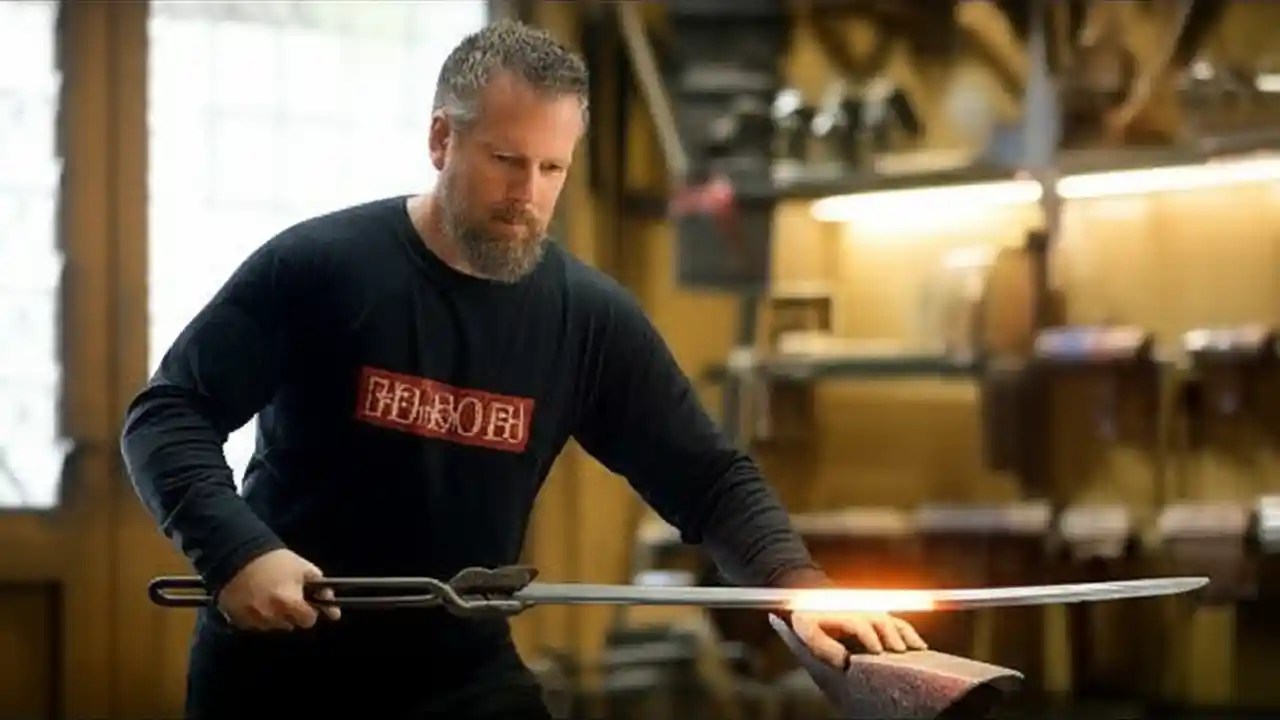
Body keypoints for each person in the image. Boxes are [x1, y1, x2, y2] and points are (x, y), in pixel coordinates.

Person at [121, 18, 926, 720]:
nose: (528, 196)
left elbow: (706, 479)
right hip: (280, 673)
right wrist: (235, 550)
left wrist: (797, 583)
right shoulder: (322, 267)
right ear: (441, 139)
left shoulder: (587, 318)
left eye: (552, 170)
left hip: (459, 676)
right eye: (506, 160)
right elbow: (168, 414)